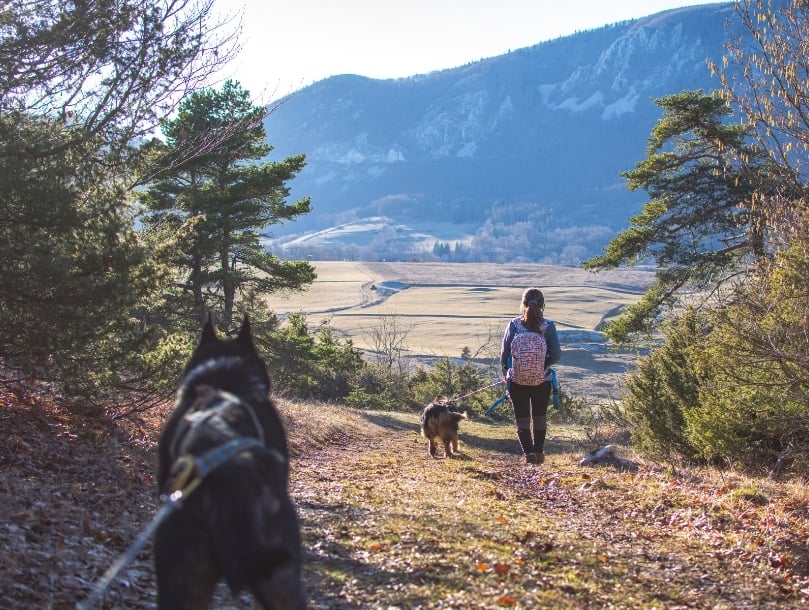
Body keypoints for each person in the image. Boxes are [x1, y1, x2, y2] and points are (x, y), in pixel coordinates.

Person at [500, 287, 561, 464]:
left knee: (522, 418)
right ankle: (539, 453)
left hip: (517, 379)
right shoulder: (548, 326)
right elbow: (556, 354)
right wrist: (542, 365)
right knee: (540, 417)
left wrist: (508, 374)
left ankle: (529, 454)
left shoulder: (514, 325)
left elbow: (504, 355)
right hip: (542, 380)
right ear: (542, 305)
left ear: (523, 304)